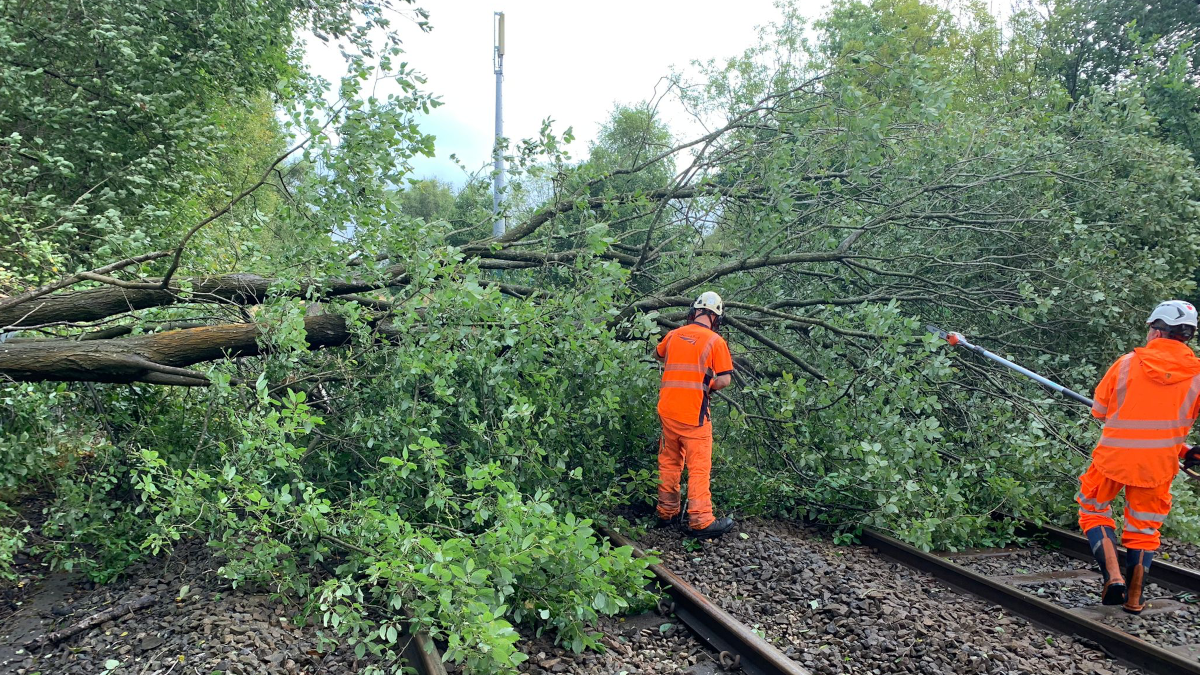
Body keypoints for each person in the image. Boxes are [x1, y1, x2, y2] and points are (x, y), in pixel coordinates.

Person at [1078, 299, 1200, 613]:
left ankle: (1114, 577)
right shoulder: (1197, 375)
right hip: (1158, 466)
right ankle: (1134, 598)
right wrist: (1189, 450)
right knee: (1144, 529)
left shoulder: (1128, 363)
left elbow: (1101, 412)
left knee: (1093, 509)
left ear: (1158, 332)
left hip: (1113, 460)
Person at [654, 291, 736, 539]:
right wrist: (707, 384)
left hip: (668, 411)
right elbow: (724, 379)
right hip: (694, 417)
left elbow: (658, 354)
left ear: (694, 311)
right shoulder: (715, 341)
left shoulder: (673, 334)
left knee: (669, 462)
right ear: (715, 317)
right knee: (698, 468)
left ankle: (666, 511)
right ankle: (700, 520)